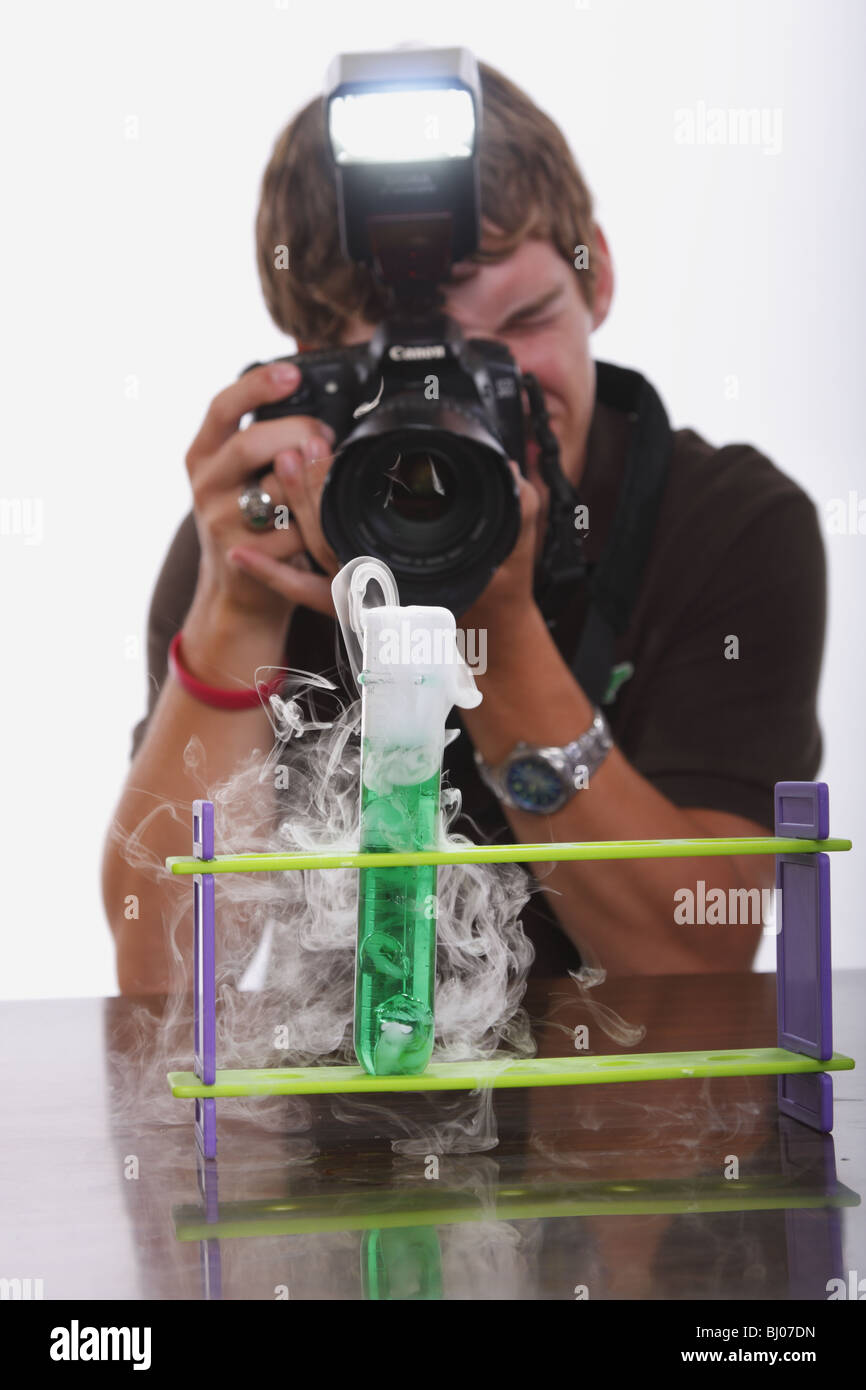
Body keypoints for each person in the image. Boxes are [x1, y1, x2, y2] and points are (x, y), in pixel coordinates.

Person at [101, 60, 824, 996]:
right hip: (342, 1121)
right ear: (304, 368)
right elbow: (166, 981)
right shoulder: (268, 542)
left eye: (519, 323)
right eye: (403, 368)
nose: (477, 395)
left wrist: (498, 632)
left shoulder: (723, 523)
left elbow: (696, 955)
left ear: (595, 272)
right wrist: (234, 615)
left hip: (630, 1125)